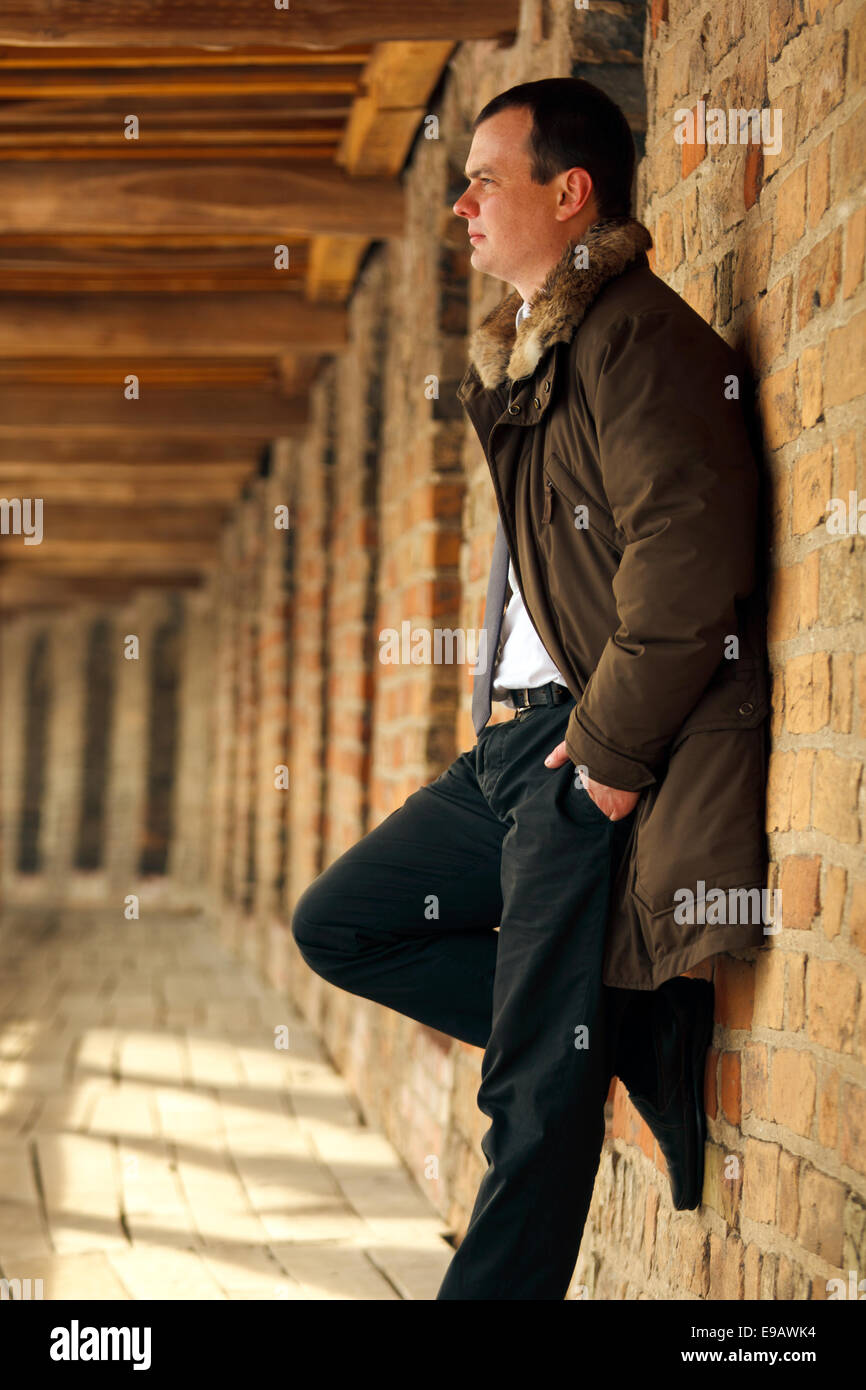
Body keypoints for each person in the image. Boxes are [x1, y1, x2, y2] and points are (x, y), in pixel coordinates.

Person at [291, 77, 769, 1300]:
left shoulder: (636, 338)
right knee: (342, 922)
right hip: (507, 752)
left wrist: (606, 758)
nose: (461, 203)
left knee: (530, 1100)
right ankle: (616, 1022)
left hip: (579, 748)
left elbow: (687, 553)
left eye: (485, 178)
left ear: (570, 193)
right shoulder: (536, 355)